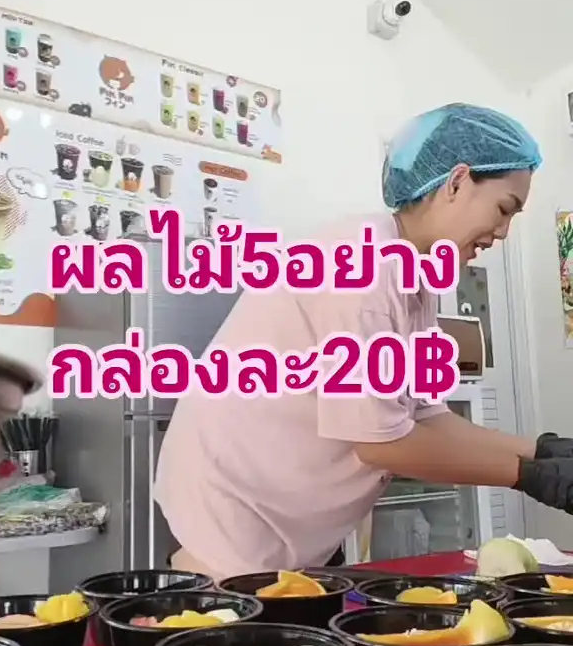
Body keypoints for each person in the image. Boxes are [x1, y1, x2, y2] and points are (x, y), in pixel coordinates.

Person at [154, 103, 573, 581]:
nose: (502, 233)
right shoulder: (363, 266)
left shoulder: (414, 277)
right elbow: (383, 444)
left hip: (282, 521)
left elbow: (424, 416)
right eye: (503, 209)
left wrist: (544, 450)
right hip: (231, 514)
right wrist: (528, 476)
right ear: (457, 182)